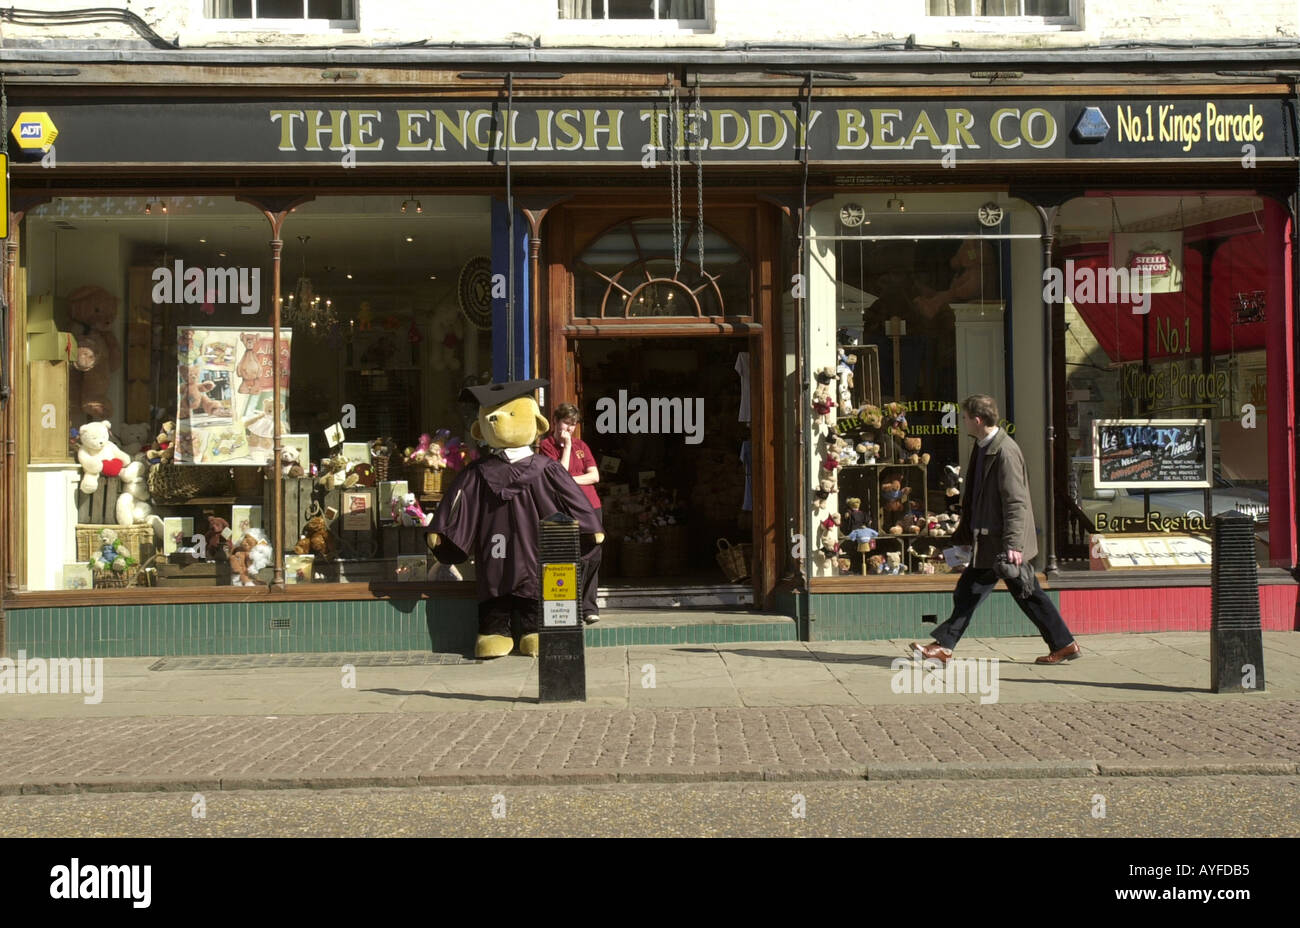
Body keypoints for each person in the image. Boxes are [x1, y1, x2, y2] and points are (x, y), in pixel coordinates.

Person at [911, 394, 1081, 665]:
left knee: (985, 592)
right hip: (990, 540)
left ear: (977, 420)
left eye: (965, 418)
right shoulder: (983, 446)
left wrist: (1013, 545)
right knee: (1022, 593)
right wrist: (965, 536)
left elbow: (1017, 501)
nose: (963, 422)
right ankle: (1064, 643)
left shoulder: (1005, 452)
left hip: (1002, 545)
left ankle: (944, 646)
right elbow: (977, 497)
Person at [539, 403, 603, 624]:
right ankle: (570, 605)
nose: (570, 428)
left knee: (594, 553)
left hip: (591, 505)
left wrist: (571, 482)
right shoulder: (546, 446)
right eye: (566, 422)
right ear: (555, 421)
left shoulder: (581, 445)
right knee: (568, 555)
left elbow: (594, 476)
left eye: (573, 424)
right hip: (564, 508)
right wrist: (565, 448)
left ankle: (589, 607)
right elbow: (559, 476)